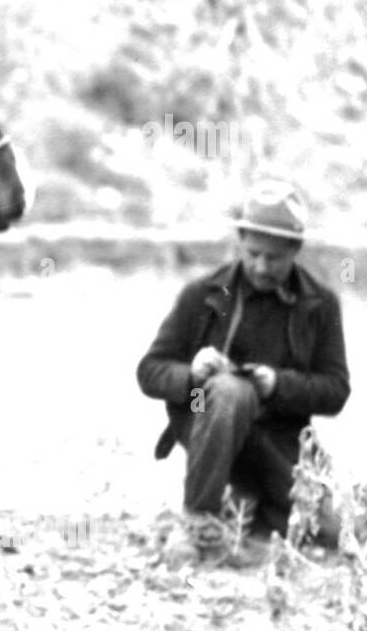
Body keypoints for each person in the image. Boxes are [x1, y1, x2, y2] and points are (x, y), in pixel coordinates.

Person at [136, 180, 350, 560]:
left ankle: (247, 500)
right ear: (239, 242)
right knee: (228, 391)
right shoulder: (202, 294)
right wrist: (192, 374)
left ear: (295, 250)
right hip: (202, 413)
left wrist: (276, 385)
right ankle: (198, 519)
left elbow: (335, 390)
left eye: (274, 258)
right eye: (252, 254)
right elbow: (150, 371)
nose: (261, 266)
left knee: (327, 530)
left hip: (280, 434)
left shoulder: (320, 304)